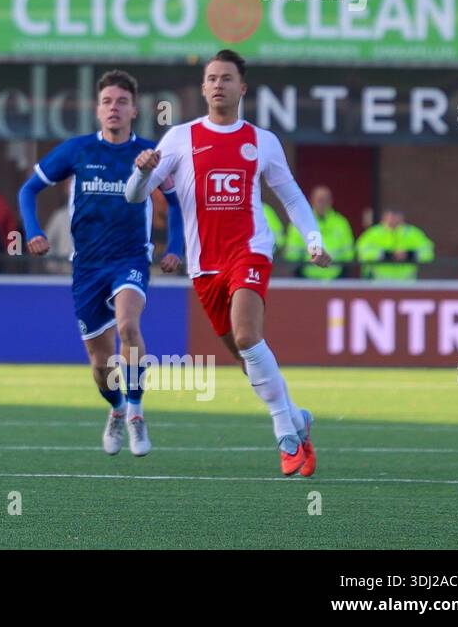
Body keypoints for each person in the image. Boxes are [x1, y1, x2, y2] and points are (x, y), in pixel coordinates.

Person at [125, 49, 332, 477]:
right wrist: (143, 172)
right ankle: (297, 417)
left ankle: (285, 436)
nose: (218, 84)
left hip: (250, 250)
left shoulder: (262, 141)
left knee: (246, 333)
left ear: (242, 87)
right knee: (244, 354)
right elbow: (135, 196)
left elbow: (291, 195)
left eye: (227, 78)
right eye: (212, 78)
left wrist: (313, 239)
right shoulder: (180, 138)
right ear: (203, 88)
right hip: (204, 267)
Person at [20, 70, 185, 457]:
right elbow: (29, 189)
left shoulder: (147, 154)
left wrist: (174, 246)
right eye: (108, 101)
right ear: (98, 109)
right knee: (99, 362)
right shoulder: (78, 151)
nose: (114, 108)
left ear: (134, 110)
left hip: (131, 259)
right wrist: (32, 231)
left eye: (122, 102)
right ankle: (116, 408)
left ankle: (137, 414)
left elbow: (174, 203)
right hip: (87, 266)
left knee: (128, 327)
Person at [284, 185, 354, 280]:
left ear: (331, 201)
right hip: (307, 279)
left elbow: (349, 254)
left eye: (326, 200)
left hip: (336, 279)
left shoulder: (341, 223)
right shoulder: (300, 222)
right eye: (320, 200)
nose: (323, 204)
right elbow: (292, 254)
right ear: (312, 201)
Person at [356, 209, 435, 281]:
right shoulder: (373, 233)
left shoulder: (413, 233)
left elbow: (428, 252)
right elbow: (362, 252)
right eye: (390, 218)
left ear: (402, 219)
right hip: (378, 281)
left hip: (406, 282)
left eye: (395, 218)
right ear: (383, 219)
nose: (392, 221)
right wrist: (388, 255)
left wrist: (409, 254)